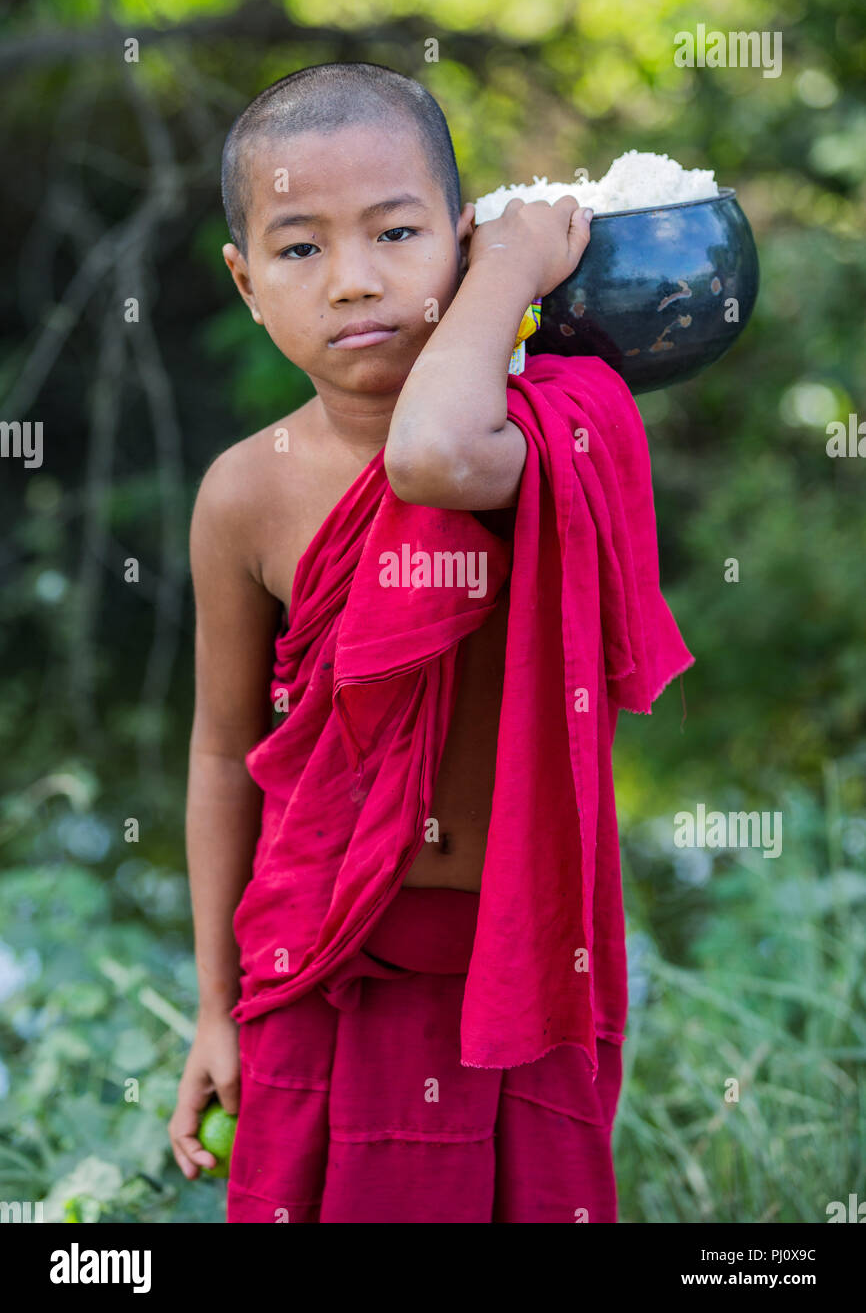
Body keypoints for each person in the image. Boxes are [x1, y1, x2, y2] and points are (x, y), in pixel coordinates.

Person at [168, 61, 688, 1223]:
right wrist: (214, 1002)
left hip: (514, 970)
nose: (354, 282)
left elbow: (431, 458)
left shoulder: (542, 434)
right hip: (319, 969)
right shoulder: (247, 492)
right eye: (300, 249)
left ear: (459, 241)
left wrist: (505, 264)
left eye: (397, 233)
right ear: (246, 285)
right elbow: (219, 754)